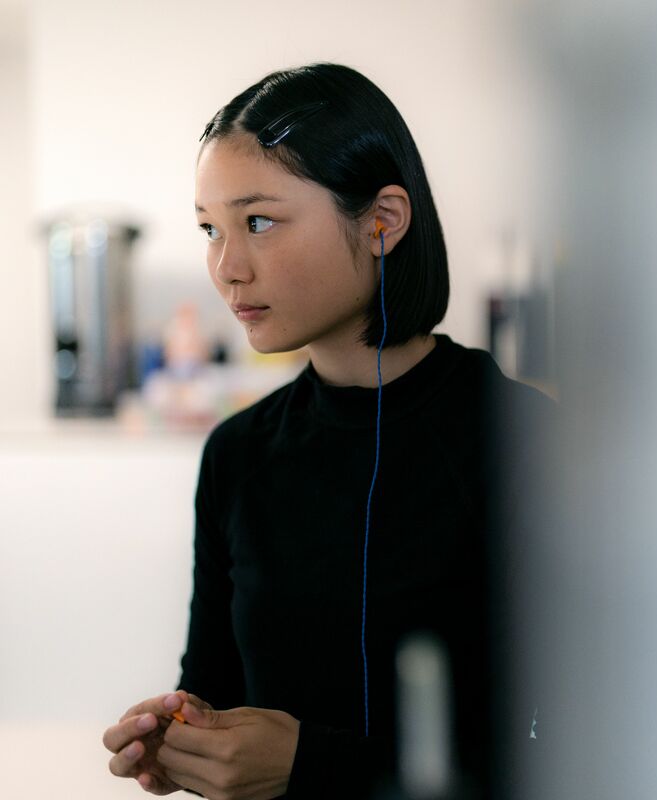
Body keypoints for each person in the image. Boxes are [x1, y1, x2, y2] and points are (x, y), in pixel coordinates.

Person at [101, 63, 552, 799]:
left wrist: (311, 763)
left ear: (383, 220)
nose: (226, 267)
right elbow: (214, 689)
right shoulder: (237, 457)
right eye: (210, 228)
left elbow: (568, 748)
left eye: (257, 222)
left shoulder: (523, 443)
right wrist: (181, 741)